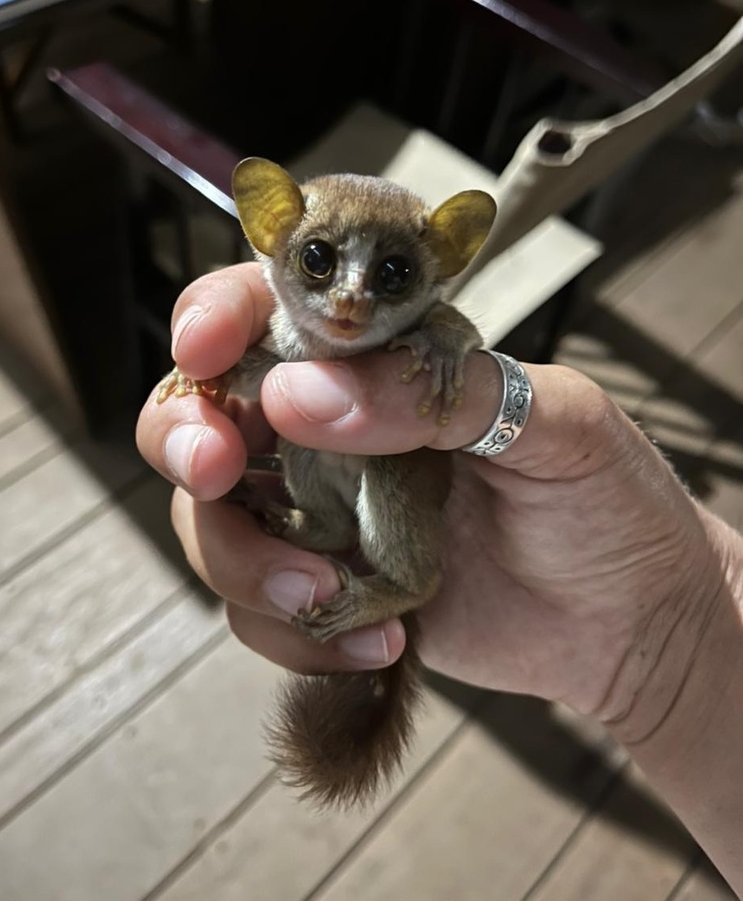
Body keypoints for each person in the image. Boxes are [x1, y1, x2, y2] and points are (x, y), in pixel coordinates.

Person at [137, 262, 743, 896]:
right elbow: (259, 367)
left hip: (400, 487)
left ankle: (402, 583)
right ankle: (317, 526)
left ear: (439, 263)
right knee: (298, 442)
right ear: (272, 238)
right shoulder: (289, 325)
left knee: (388, 473)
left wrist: (450, 354)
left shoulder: (418, 324)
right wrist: (205, 376)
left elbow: (455, 330)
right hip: (332, 478)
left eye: (390, 274)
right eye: (319, 261)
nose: (349, 293)